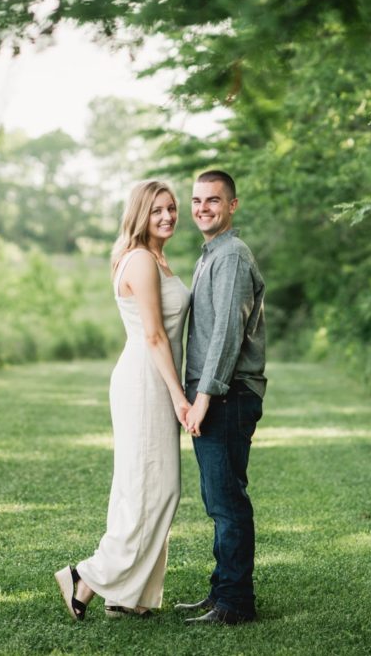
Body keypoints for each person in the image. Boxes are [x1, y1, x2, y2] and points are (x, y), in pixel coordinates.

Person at [55, 180, 191, 620]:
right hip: (146, 382)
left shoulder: (154, 258)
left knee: (143, 488)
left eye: (171, 208)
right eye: (157, 211)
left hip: (148, 377)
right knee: (155, 487)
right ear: (139, 215)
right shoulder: (140, 260)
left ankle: (129, 595)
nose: (168, 216)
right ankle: (87, 578)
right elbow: (153, 335)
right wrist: (178, 396)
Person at [176, 169, 266, 625]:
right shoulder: (212, 254)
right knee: (220, 499)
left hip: (227, 397)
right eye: (196, 200)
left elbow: (227, 335)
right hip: (217, 396)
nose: (202, 208)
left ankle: (235, 604)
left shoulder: (230, 256)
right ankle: (221, 592)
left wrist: (205, 397)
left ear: (232, 205)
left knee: (228, 502)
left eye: (213, 200)